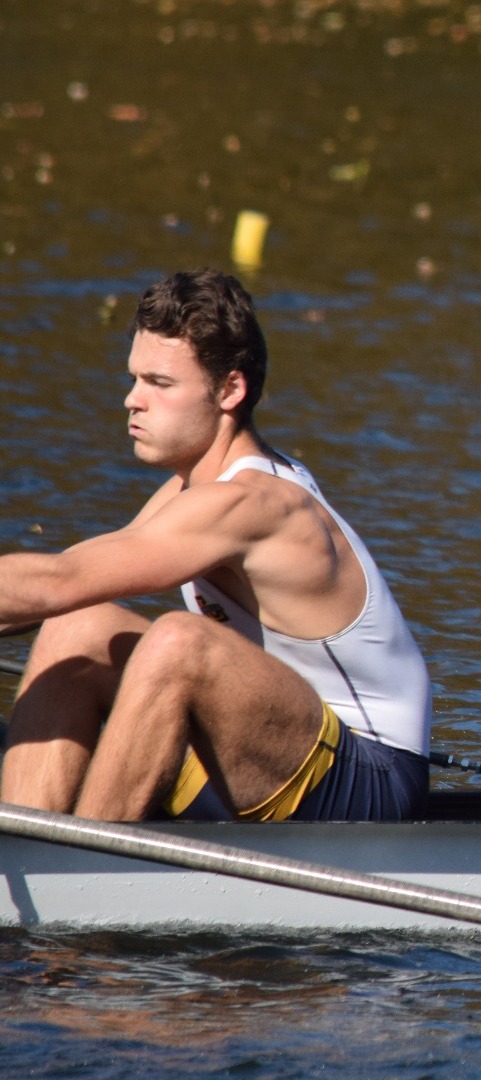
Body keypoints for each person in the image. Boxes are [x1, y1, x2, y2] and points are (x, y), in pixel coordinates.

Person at [0, 269, 433, 822]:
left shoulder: (256, 503)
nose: (132, 400)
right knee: (75, 626)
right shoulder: (191, 490)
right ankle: (29, 845)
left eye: (160, 383)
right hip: (266, 746)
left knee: (179, 642)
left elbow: (54, 583)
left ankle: (84, 863)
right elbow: (61, 587)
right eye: (134, 379)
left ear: (230, 390)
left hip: (371, 781)